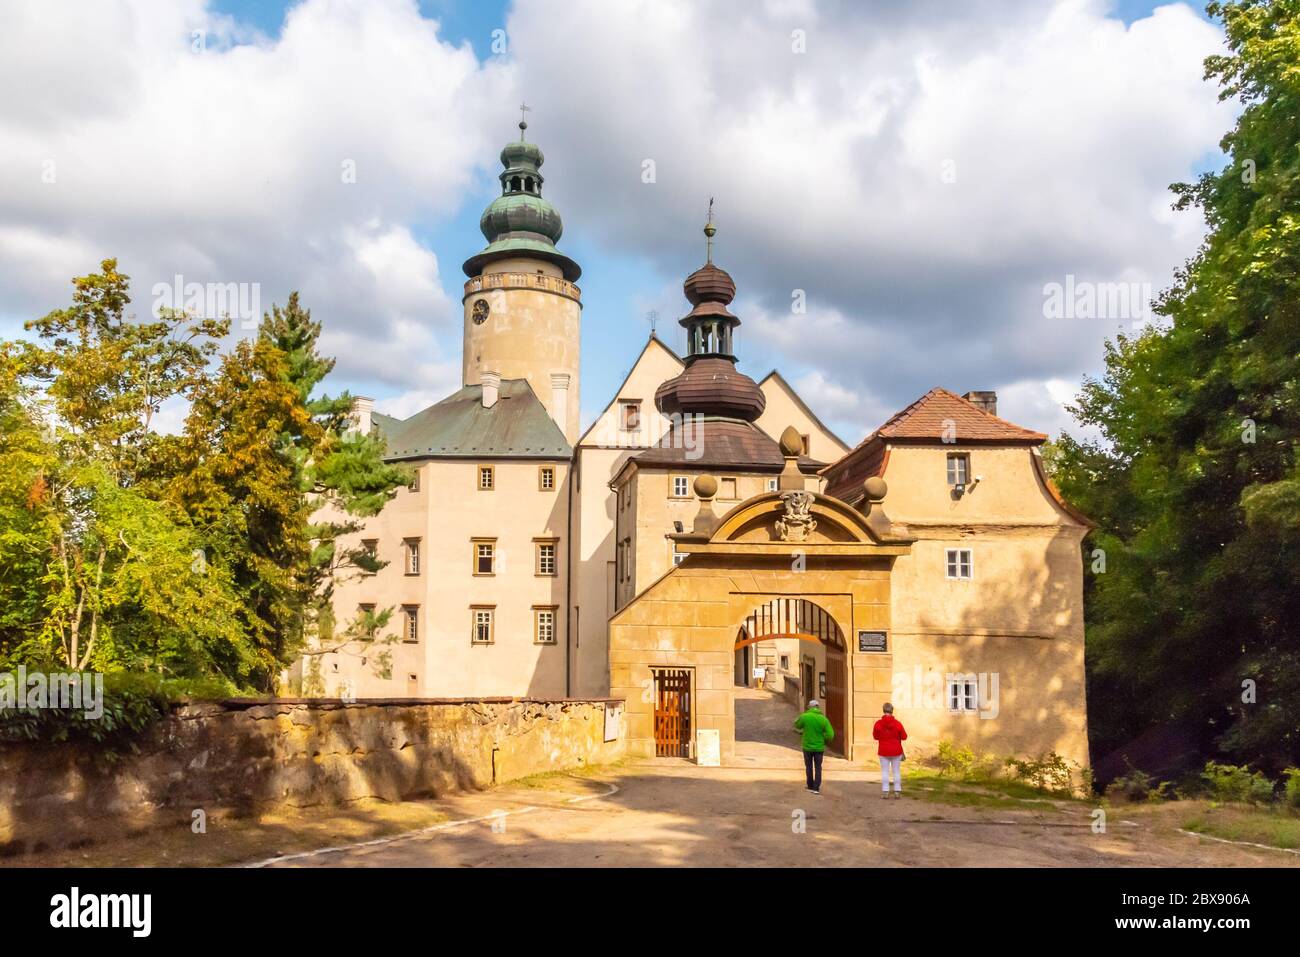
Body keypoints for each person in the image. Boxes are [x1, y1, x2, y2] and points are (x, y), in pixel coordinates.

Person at [793, 698, 834, 794]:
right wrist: (822, 738)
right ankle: (816, 788)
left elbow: (797, 725)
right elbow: (831, 735)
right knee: (818, 767)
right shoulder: (824, 719)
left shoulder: (805, 716)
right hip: (819, 748)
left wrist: (802, 729)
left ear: (809, 707)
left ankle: (810, 786)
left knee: (809, 767)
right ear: (818, 707)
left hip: (807, 747)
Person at [873, 702, 907, 798]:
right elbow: (904, 737)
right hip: (896, 751)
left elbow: (875, 737)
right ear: (892, 711)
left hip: (883, 751)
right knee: (896, 771)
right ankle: (897, 792)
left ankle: (885, 792)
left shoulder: (878, 724)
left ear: (883, 710)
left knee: (885, 771)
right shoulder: (898, 724)